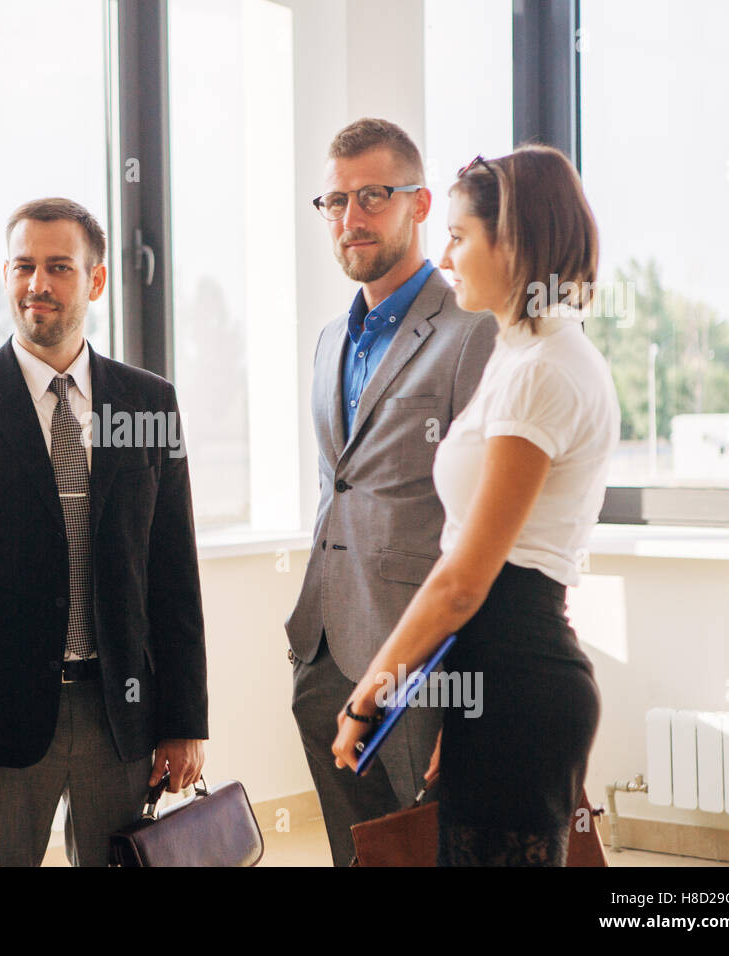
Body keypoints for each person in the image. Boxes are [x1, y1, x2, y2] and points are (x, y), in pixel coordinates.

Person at [0, 197, 208, 867]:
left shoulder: (149, 402)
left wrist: (185, 721)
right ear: (5, 275)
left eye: (59, 267)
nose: (39, 284)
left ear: (94, 281)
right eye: (24, 266)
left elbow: (173, 574)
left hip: (118, 716)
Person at [331, 144, 621, 866]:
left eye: (459, 238)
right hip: (494, 677)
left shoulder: (546, 369)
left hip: (522, 682)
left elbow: (465, 578)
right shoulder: (522, 352)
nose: (448, 257)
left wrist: (370, 694)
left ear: (513, 240)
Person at [285, 118, 497, 866]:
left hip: (422, 666)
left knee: (431, 852)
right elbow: (336, 487)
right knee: (363, 856)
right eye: (335, 201)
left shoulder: (472, 330)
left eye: (373, 196)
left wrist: (471, 692)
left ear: (420, 203)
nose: (351, 218)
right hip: (323, 652)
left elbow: (486, 527)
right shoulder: (327, 341)